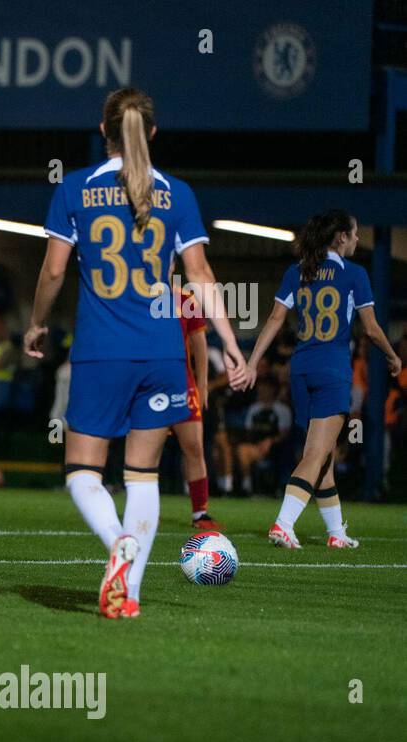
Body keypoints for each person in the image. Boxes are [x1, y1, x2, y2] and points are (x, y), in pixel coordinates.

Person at [24, 87, 253, 619]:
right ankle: (130, 591)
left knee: (83, 470)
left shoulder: (75, 188)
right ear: (151, 133)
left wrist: (37, 324)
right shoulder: (178, 193)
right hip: (162, 352)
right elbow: (201, 276)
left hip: (103, 351)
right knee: (142, 476)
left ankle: (115, 542)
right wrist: (230, 342)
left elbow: (55, 270)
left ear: (101, 130)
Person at [247, 209, 401, 548]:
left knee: (322, 455)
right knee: (316, 454)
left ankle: (336, 533)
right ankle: (284, 524)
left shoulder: (297, 271)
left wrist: (252, 362)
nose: (359, 239)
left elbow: (274, 320)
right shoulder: (355, 274)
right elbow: (372, 329)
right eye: (356, 233)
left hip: (301, 369)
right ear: (341, 237)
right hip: (332, 369)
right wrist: (392, 356)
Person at [170, 289, 220, 528]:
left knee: (194, 447)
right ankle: (140, 506)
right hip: (148, 385)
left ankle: (200, 512)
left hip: (182, 383)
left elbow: (199, 343)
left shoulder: (185, 298)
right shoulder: (136, 293)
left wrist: (202, 384)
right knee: (147, 450)